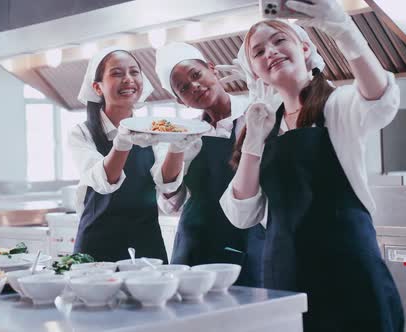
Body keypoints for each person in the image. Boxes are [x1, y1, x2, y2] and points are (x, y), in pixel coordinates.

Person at [220, 0, 404, 330]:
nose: (270, 52)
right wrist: (252, 143)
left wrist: (343, 29)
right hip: (285, 271)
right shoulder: (264, 123)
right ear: (255, 70)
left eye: (279, 41)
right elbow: (242, 211)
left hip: (349, 266)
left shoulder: (338, 104)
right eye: (258, 52)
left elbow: (381, 100)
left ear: (304, 48)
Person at [154, 42, 267, 287]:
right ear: (181, 101)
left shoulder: (256, 114)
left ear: (212, 69)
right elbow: (170, 202)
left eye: (197, 75)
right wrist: (177, 145)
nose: (194, 86)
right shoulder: (184, 134)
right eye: (183, 88)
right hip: (193, 247)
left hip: (245, 241)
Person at [68, 46, 184, 263]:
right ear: (97, 87)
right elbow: (105, 180)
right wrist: (122, 141)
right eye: (117, 73)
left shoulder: (153, 128)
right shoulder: (82, 133)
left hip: (146, 245)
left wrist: (177, 146)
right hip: (97, 247)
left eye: (134, 72)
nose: (128, 79)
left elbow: (166, 182)